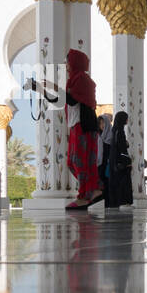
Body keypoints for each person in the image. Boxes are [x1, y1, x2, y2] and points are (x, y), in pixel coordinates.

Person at [64, 48, 103, 210]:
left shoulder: (82, 79)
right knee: (75, 161)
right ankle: (94, 189)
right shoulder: (76, 80)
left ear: (74, 63)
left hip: (83, 125)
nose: (66, 66)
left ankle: (85, 195)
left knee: (80, 161)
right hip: (77, 124)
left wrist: (53, 88)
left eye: (68, 62)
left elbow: (72, 100)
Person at [104, 111, 134, 209]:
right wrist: (127, 161)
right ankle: (124, 202)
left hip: (114, 160)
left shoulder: (114, 130)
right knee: (123, 181)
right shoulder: (120, 131)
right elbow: (121, 148)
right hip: (120, 160)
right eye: (126, 118)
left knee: (115, 181)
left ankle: (115, 202)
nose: (127, 120)